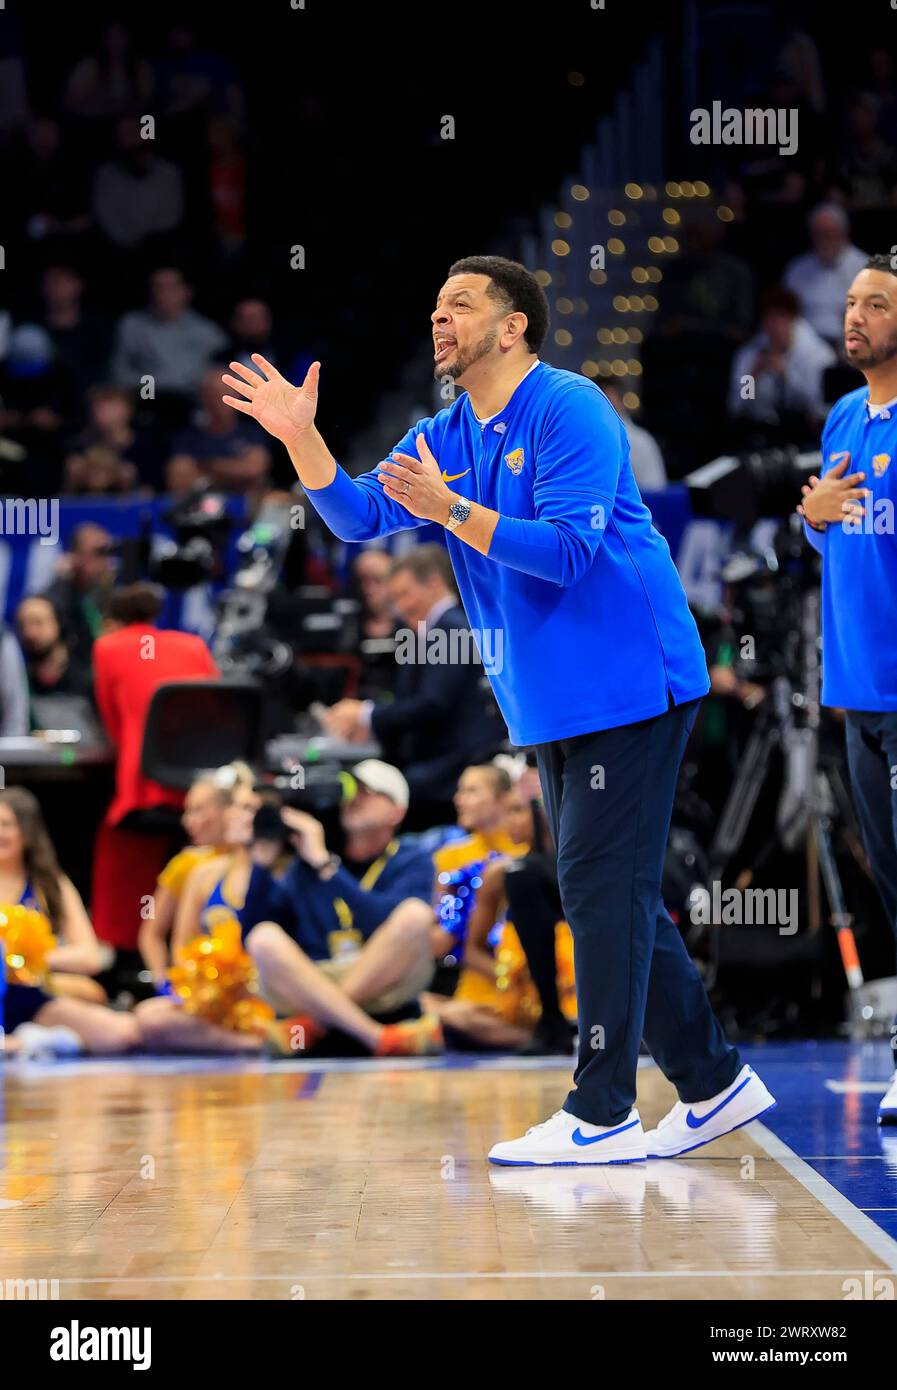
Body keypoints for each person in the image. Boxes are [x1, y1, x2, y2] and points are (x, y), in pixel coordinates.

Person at [222, 253, 774, 1166]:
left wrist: (453, 508)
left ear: (512, 325)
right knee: (604, 889)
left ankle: (602, 1110)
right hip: (552, 701)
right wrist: (301, 440)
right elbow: (359, 516)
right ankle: (713, 1083)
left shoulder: (570, 408)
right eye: (434, 307)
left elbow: (563, 553)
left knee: (599, 890)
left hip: (632, 680)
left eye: (460, 305)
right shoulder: (445, 429)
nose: (439, 320)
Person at [796, 254, 897, 1126]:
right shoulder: (839, 416)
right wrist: (812, 518)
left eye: (875, 304)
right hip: (858, 686)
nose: (853, 315)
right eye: (852, 302)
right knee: (889, 878)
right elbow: (835, 538)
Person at [245, 759, 442, 1058]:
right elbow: (250, 934)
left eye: (369, 791)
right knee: (264, 937)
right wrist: (262, 863)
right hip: (316, 976)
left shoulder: (412, 858)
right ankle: (376, 1037)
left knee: (414, 914)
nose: (354, 798)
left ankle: (319, 1023)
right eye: (351, 790)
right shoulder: (307, 862)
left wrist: (327, 867)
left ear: (396, 811)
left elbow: (381, 922)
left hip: (383, 981)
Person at [323, 546, 504, 825]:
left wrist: (365, 715)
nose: (399, 607)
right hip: (434, 767)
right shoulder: (428, 631)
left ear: (433, 583)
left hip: (448, 773)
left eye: (404, 595)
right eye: (394, 598)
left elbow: (433, 705)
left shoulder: (453, 628)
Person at [90, 582, 219, 953]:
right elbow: (215, 709)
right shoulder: (193, 645)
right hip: (198, 788)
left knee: (118, 838)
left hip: (143, 790)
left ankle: (117, 947)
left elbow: (113, 725)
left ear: (111, 621)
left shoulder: (107, 647)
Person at [424, 775, 576, 1053]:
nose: (512, 820)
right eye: (510, 811)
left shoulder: (569, 864)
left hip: (577, 988)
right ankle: (554, 1036)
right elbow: (459, 945)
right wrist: (511, 981)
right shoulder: (488, 869)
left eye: (518, 810)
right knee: (442, 1012)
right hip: (510, 992)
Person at [0, 787, 139, 1057]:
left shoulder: (49, 885)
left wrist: (28, 958)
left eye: (5, 825)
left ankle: (32, 1040)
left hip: (31, 997)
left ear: (26, 832)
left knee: (120, 1035)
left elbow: (90, 956)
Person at [136, 764, 241, 982]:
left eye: (198, 810)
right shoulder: (187, 864)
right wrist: (163, 981)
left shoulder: (254, 859)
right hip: (203, 979)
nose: (186, 821)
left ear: (229, 809)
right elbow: (152, 933)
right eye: (187, 811)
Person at [783, 205, 868, 346]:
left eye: (829, 234)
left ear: (843, 234)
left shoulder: (866, 269)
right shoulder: (796, 269)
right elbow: (784, 315)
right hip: (804, 347)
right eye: (818, 234)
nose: (823, 240)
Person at [43, 522, 115, 662]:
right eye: (98, 553)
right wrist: (61, 580)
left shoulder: (113, 596)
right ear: (75, 557)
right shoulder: (55, 601)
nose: (105, 561)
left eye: (108, 553)